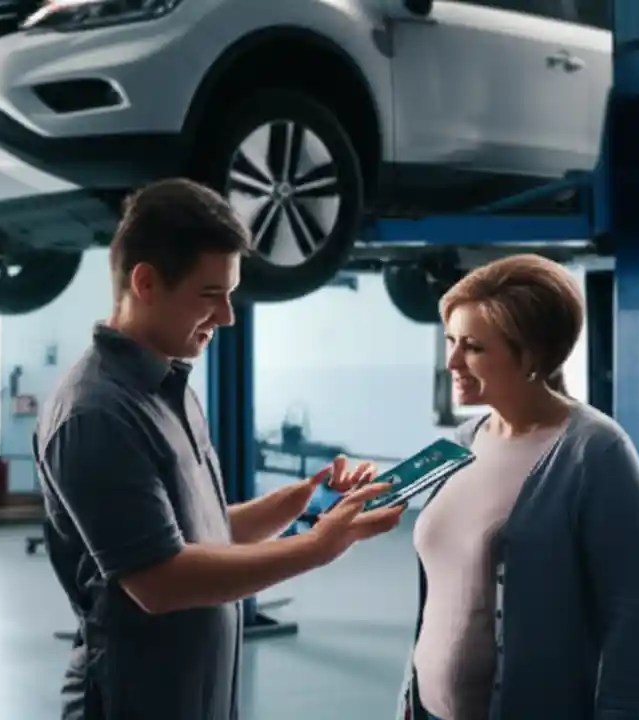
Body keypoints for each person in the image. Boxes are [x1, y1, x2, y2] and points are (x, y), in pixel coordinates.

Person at [33, 177, 405, 720]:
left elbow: (202, 532)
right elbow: (161, 581)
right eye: (211, 295)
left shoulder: (166, 385)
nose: (227, 316)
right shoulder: (95, 414)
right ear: (145, 282)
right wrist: (320, 546)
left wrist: (302, 499)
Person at [395, 254, 639, 720]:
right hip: (426, 710)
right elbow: (434, 583)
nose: (452, 361)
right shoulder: (461, 442)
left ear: (532, 355)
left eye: (474, 347)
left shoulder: (596, 454)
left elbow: (632, 622)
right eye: (450, 341)